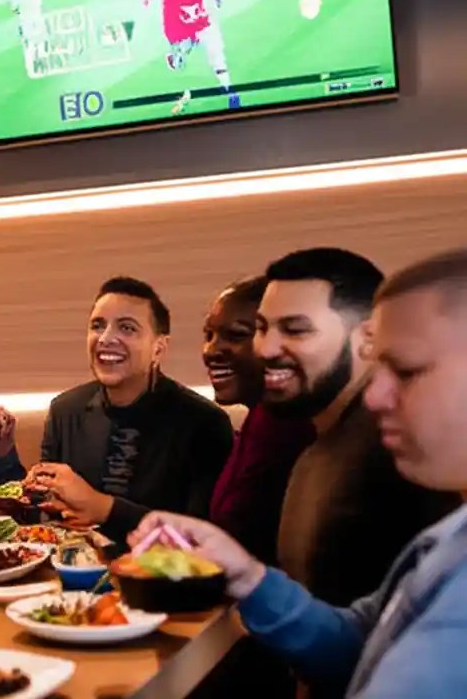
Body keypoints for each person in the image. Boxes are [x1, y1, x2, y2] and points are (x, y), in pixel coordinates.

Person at [128, 247, 467, 698]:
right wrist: (248, 576)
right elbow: (362, 646)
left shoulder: (392, 462)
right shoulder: (447, 537)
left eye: (404, 371)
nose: (375, 396)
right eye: (262, 328)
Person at [257, 248, 456, 606]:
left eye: (295, 330)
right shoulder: (321, 442)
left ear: (368, 338)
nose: (266, 348)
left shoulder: (402, 445)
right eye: (261, 328)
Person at [0, 277, 231, 542]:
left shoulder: (204, 423)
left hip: (156, 568)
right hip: (75, 565)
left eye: (127, 328)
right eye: (98, 326)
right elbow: (39, 519)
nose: (106, 338)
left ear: (158, 348)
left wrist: (101, 507)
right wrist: (2, 452)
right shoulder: (65, 410)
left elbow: (204, 542)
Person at [204, 276, 315, 566]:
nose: (210, 350)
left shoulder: (288, 428)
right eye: (209, 335)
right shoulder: (259, 419)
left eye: (236, 335)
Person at [144, 0, 238, 111]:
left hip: (203, 24)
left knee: (217, 59)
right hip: (184, 27)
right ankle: (176, 56)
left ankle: (231, 94)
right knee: (179, 61)